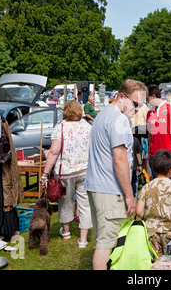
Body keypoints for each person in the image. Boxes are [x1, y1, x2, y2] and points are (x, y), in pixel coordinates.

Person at [84, 79, 147, 270]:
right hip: (110, 190)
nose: (136, 109)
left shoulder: (104, 114)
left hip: (97, 187)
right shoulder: (119, 119)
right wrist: (130, 196)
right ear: (121, 97)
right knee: (107, 245)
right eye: (135, 104)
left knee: (106, 242)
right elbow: (119, 160)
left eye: (140, 105)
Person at [40, 100, 92, 248]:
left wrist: (45, 173)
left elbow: (54, 152)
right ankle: (83, 239)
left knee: (65, 202)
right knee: (85, 205)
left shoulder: (60, 127)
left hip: (66, 172)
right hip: (85, 170)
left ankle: (67, 232)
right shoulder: (87, 127)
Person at [136, 149, 171, 257]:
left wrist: (146, 217)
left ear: (153, 169)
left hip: (151, 232)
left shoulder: (147, 187)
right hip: (169, 230)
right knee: (170, 260)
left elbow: (138, 210)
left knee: (153, 259)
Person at [146, 84, 171, 180]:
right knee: (156, 183)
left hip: (168, 153)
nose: (147, 102)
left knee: (168, 184)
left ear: (153, 96)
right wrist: (149, 152)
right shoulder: (150, 112)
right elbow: (150, 133)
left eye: (147, 99)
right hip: (154, 154)